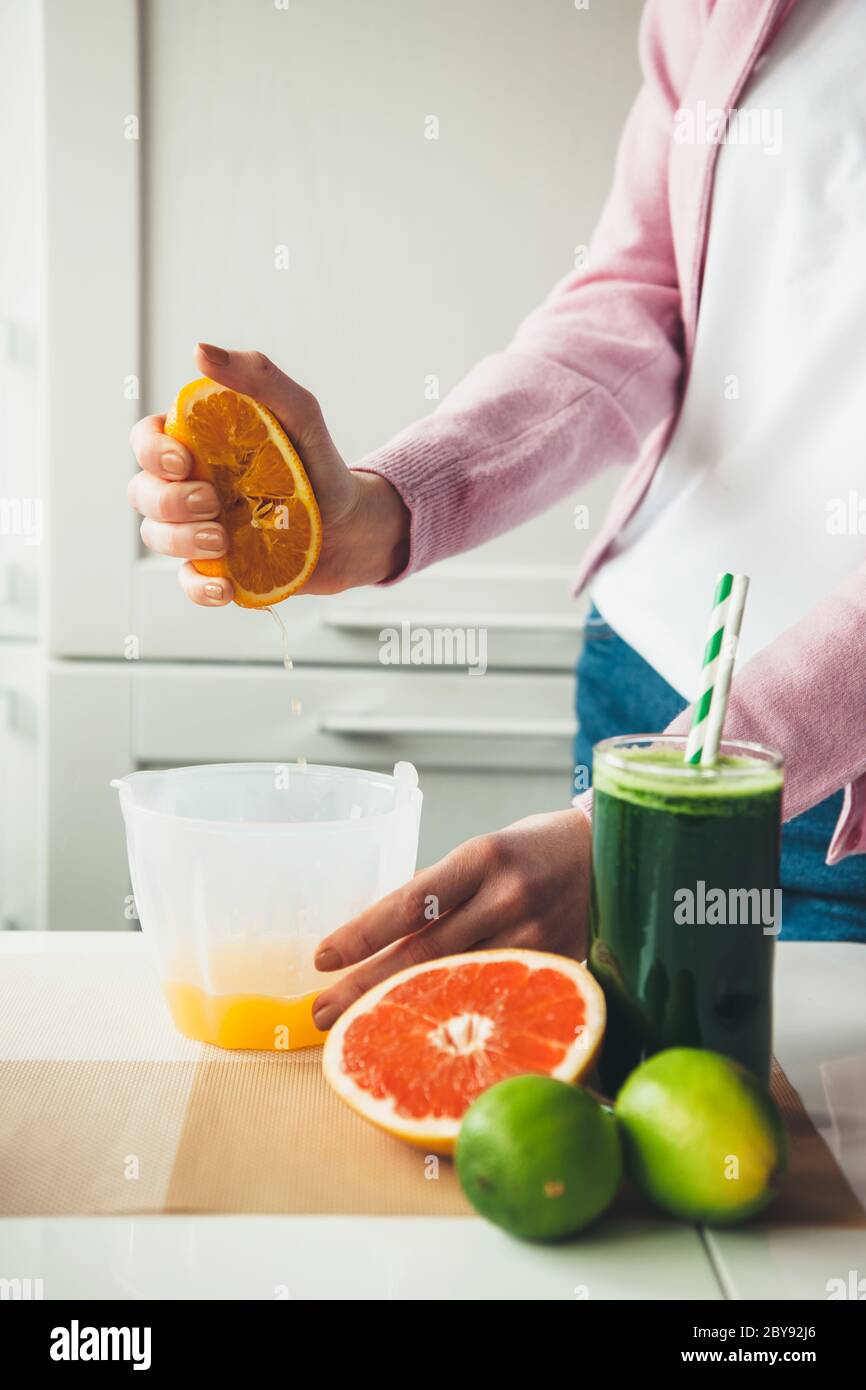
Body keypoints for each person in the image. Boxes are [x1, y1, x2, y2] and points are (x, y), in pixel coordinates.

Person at [128, 0, 866, 1030]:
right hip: (646, 666)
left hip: (832, 791)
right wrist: (387, 510)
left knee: (800, 1168)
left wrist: (640, 828)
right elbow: (638, 296)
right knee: (619, 1135)